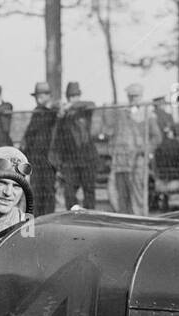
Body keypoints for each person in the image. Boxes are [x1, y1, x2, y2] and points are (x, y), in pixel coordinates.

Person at [103, 84, 161, 216]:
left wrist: (144, 149)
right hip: (120, 162)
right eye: (130, 96)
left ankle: (140, 224)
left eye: (136, 96)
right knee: (121, 197)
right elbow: (111, 132)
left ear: (141, 96)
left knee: (138, 198)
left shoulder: (148, 114)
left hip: (137, 163)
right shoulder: (121, 113)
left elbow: (157, 137)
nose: (133, 99)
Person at [50, 81, 98, 209]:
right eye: (70, 96)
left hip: (87, 158)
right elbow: (58, 138)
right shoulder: (63, 115)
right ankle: (72, 218)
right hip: (70, 161)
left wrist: (71, 106)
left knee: (89, 191)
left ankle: (90, 217)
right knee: (69, 193)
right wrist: (62, 110)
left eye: (75, 96)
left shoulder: (85, 110)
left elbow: (91, 104)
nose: (73, 99)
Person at [21, 81, 59, 216]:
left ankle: (49, 219)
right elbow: (29, 134)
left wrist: (51, 108)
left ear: (48, 95)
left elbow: (59, 110)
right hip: (35, 159)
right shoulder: (37, 112)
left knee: (48, 190)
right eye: (37, 95)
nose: (39, 98)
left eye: (42, 95)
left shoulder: (54, 111)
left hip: (48, 159)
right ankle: (36, 220)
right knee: (36, 191)